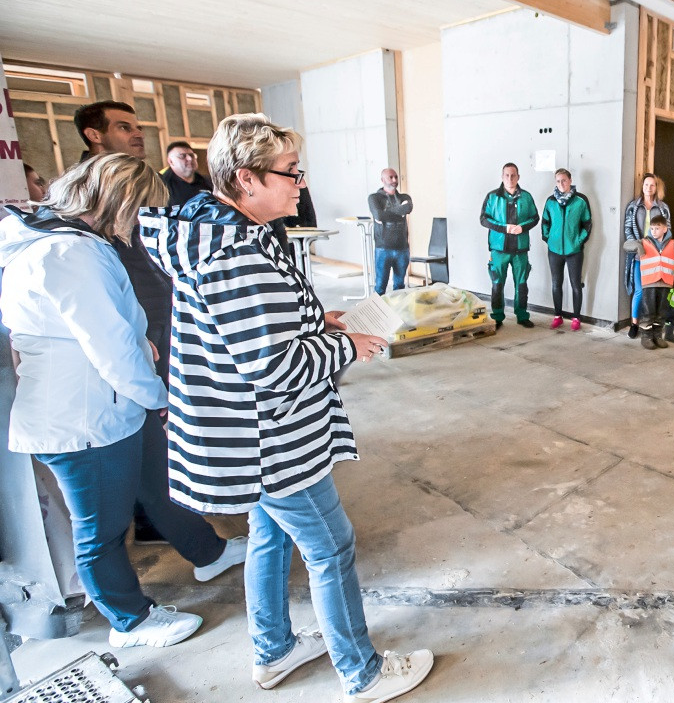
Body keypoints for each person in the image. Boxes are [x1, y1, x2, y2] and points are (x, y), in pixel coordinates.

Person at [140, 114, 433, 701]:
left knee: (269, 536)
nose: (300, 184)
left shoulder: (230, 233)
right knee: (331, 547)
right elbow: (274, 370)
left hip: (259, 436)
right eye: (289, 173)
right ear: (246, 178)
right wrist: (348, 344)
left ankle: (273, 652)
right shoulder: (236, 255)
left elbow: (253, 332)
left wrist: (313, 320)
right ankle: (363, 673)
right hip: (272, 438)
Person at [0, 153, 203, 649]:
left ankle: (208, 551)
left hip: (94, 405)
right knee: (101, 528)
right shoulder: (71, 254)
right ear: (120, 201)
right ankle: (129, 620)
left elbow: (93, 329)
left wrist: (139, 342)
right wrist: (160, 396)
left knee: (153, 486)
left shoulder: (58, 242)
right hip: (81, 417)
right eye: (142, 211)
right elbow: (108, 345)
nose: (141, 223)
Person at [78, 103, 242, 563]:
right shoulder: (91, 219)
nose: (137, 134)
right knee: (153, 437)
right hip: (136, 336)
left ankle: (192, 527)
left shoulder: (135, 192)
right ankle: (171, 535)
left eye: (137, 126)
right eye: (124, 127)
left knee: (161, 441)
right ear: (94, 135)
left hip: (157, 320)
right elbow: (104, 330)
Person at [481, 163, 539, 329]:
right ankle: (497, 316)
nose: (510, 178)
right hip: (499, 250)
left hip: (520, 250)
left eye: (513, 175)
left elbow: (535, 218)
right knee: (497, 284)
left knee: (521, 284)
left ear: (518, 177)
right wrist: (504, 228)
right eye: (506, 175)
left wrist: (523, 227)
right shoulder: (492, 197)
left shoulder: (526, 197)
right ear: (502, 177)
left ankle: (522, 315)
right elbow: (484, 219)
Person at [623, 215, 674, 350]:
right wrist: (637, 246)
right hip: (649, 283)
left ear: (665, 229)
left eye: (657, 228)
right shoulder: (644, 242)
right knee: (648, 311)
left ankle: (657, 336)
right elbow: (626, 244)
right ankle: (646, 337)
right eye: (651, 228)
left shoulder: (673, 243)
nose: (653, 231)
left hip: (665, 283)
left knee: (661, 312)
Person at [541, 168, 592, 330]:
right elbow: (545, 223)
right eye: (558, 181)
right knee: (556, 283)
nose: (561, 184)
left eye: (564, 180)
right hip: (554, 251)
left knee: (576, 284)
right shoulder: (550, 201)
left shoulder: (580, 201)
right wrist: (549, 239)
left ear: (570, 180)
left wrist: (578, 241)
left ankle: (576, 318)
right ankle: (558, 316)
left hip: (574, 251)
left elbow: (587, 224)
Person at [623, 173, 671, 338]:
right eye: (646, 185)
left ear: (656, 187)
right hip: (639, 255)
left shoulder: (663, 208)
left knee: (656, 291)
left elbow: (668, 230)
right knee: (639, 291)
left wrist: (659, 246)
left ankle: (652, 324)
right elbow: (627, 229)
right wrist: (637, 245)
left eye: (652, 185)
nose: (649, 188)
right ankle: (634, 324)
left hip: (657, 256)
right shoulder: (633, 207)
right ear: (642, 187)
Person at [368, 168, 414, 296]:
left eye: (396, 177)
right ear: (382, 180)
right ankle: (375, 314)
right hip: (383, 248)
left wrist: (385, 214)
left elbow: (408, 208)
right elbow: (378, 215)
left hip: (402, 248)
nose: (394, 180)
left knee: (400, 286)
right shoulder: (374, 198)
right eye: (390, 177)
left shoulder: (405, 197)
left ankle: (396, 314)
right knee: (380, 286)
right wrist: (400, 211)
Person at [159, 141, 212, 207]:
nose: (189, 159)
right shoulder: (161, 186)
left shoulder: (208, 182)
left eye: (192, 155)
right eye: (182, 156)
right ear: (171, 161)